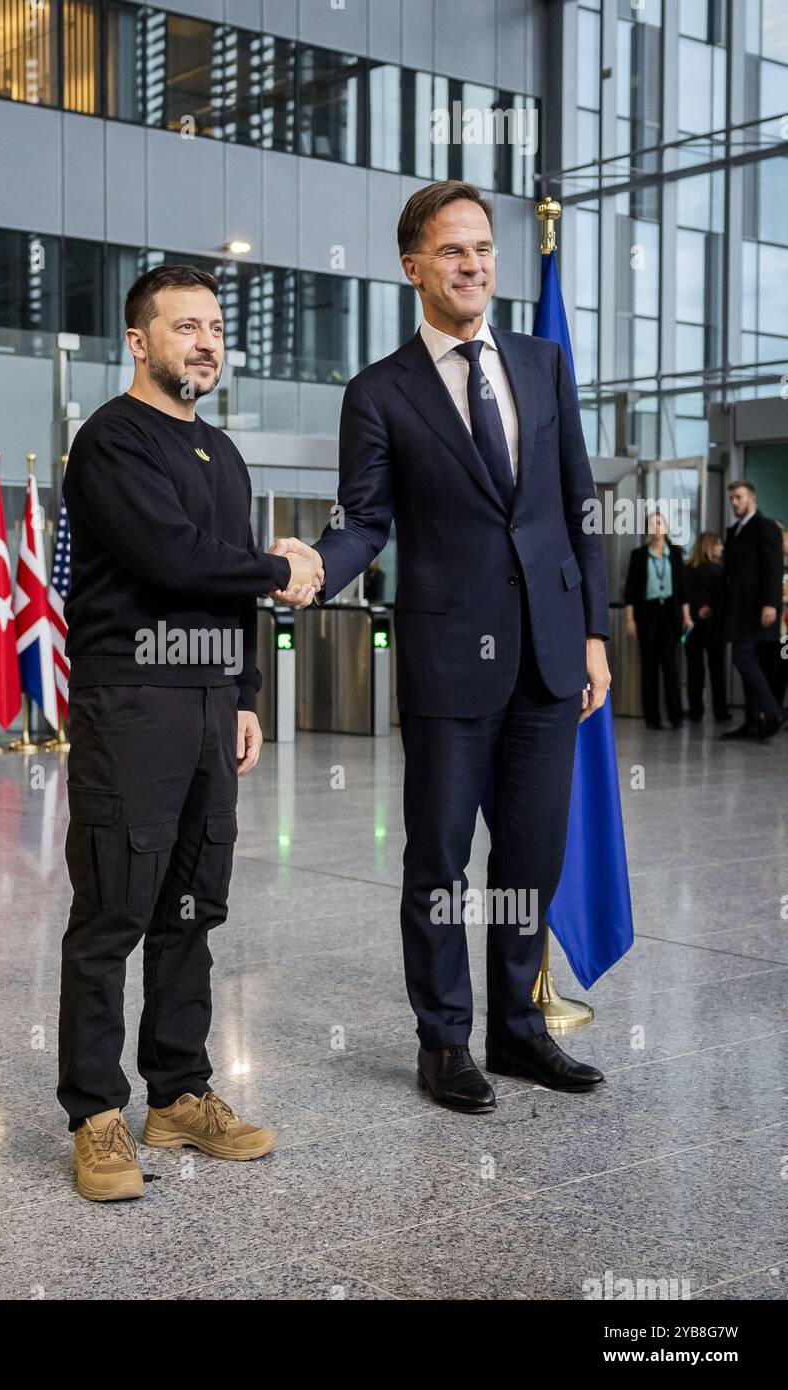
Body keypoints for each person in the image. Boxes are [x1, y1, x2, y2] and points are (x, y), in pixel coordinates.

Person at [272, 180, 608, 1112]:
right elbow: (366, 519)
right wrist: (314, 567)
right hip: (450, 660)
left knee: (530, 857)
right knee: (440, 862)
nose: (473, 265)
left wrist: (594, 631)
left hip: (547, 650)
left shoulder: (542, 365)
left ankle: (520, 1030)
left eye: (483, 249)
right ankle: (443, 1042)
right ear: (413, 267)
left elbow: (579, 502)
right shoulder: (379, 392)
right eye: (453, 251)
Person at [57, 264, 321, 1201]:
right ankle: (96, 1112)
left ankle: (178, 1093)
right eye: (185, 328)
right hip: (131, 701)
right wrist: (274, 566)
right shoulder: (112, 442)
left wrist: (246, 692)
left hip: (209, 704)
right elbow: (173, 560)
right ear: (140, 341)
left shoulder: (223, 453)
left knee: (190, 909)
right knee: (114, 913)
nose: (206, 343)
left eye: (215, 327)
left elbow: (222, 591)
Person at [720, 480, 783, 741]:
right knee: (747, 660)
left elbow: (774, 567)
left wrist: (770, 603)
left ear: (751, 498)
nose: (734, 502)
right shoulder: (734, 530)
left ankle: (772, 713)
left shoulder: (765, 527)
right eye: (732, 498)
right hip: (737, 609)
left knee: (742, 657)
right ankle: (752, 721)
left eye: (739, 497)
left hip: (757, 609)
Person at [623, 511, 691, 730]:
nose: (656, 526)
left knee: (670, 666)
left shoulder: (675, 555)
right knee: (649, 666)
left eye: (659, 522)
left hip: (670, 614)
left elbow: (683, 589)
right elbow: (631, 591)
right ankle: (651, 718)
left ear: (666, 527)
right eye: (651, 523)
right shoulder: (639, 555)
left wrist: (686, 616)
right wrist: (630, 620)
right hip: (647, 615)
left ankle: (676, 717)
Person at [683, 531, 728, 724]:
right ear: (710, 546)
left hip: (691, 626)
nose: (722, 548)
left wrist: (694, 611)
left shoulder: (688, 570)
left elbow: (683, 597)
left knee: (695, 670)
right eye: (718, 544)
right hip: (714, 626)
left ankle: (696, 711)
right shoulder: (720, 571)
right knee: (717, 670)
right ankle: (720, 712)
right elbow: (724, 597)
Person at [756, 519, 788, 712]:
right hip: (768, 628)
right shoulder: (764, 563)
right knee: (768, 667)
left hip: (785, 631)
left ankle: (775, 707)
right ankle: (769, 709)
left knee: (783, 667)